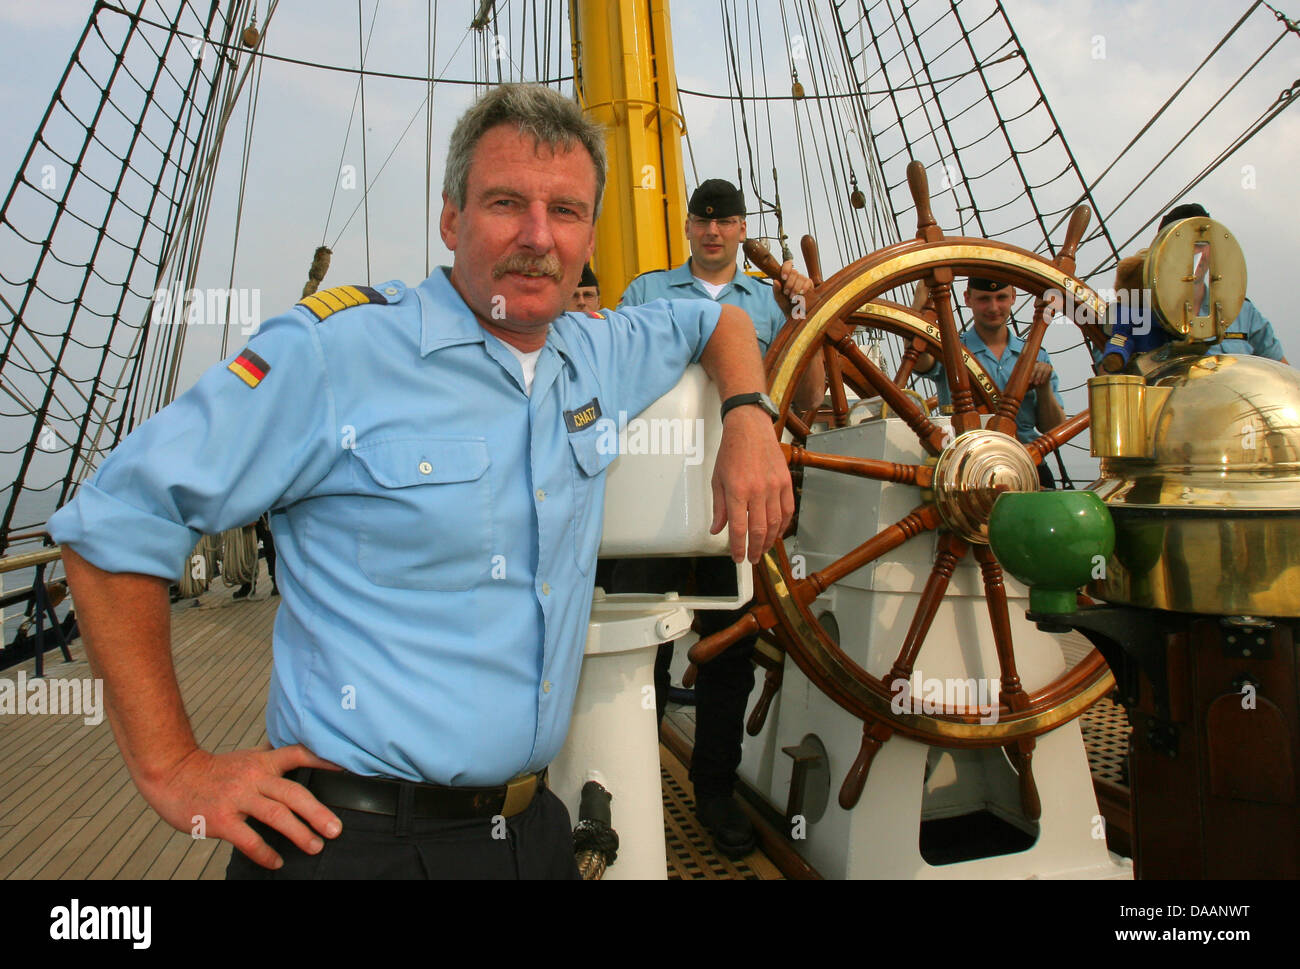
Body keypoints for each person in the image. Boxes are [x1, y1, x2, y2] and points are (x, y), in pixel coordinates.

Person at [48, 84, 793, 880]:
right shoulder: (336, 353)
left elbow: (719, 319)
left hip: (530, 830)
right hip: (356, 842)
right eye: (507, 202)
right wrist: (176, 768)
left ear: (589, 236)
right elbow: (118, 518)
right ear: (451, 219)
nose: (538, 237)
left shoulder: (594, 353)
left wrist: (748, 415)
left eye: (566, 211)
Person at [615, 178, 818, 859]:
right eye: (702, 221)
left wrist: (806, 317)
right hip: (652, 500)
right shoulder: (644, 294)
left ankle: (713, 791)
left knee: (730, 658)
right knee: (641, 650)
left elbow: (806, 401)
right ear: (690, 229)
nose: (712, 231)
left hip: (738, 504)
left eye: (725, 222)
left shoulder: (769, 303)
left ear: (739, 229)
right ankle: (625, 776)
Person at [1099, 202, 1289, 371]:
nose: (1192, 254)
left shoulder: (1243, 313)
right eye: (1180, 245)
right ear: (1160, 254)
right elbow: (1108, 381)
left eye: (1200, 244)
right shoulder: (1124, 314)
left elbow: (1281, 375)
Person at [916, 278, 1067, 489]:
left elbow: (1054, 428)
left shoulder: (1038, 356)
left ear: (1013, 297)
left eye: (1001, 298)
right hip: (964, 471)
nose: (994, 307)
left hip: (1029, 468)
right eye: (984, 299)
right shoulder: (948, 350)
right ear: (967, 299)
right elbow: (919, 358)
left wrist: (1044, 388)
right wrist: (919, 303)